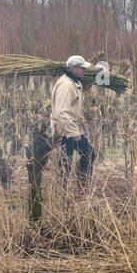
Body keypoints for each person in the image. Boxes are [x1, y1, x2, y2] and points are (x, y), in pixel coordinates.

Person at [49, 55, 96, 184]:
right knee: (67, 161)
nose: (84, 71)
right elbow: (61, 112)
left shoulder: (73, 81)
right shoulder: (66, 85)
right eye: (82, 68)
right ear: (74, 69)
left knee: (85, 154)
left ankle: (81, 183)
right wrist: (73, 132)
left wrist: (98, 71)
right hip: (65, 130)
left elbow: (82, 88)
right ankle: (68, 189)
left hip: (70, 128)